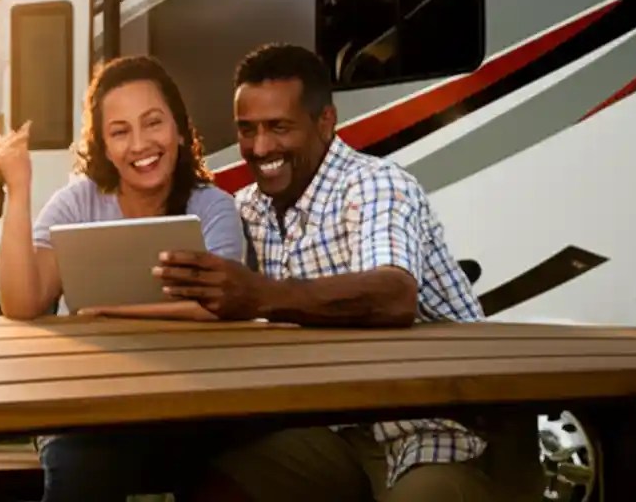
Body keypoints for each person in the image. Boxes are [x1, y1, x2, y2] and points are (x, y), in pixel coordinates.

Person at [138, 43, 542, 501]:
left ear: (326, 122)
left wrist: (261, 295)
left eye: (279, 127)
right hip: (335, 430)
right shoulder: (248, 207)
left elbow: (394, 296)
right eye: (247, 130)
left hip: (438, 433)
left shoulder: (375, 184)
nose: (261, 147)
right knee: (212, 482)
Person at [0, 54, 249, 501]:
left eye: (153, 123)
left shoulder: (213, 207)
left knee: (231, 463)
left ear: (180, 131)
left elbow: (218, 306)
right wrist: (18, 188)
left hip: (191, 402)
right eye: (120, 131)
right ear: (104, 147)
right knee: (77, 464)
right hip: (94, 402)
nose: (140, 144)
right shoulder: (77, 204)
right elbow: (22, 302)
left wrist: (109, 310)